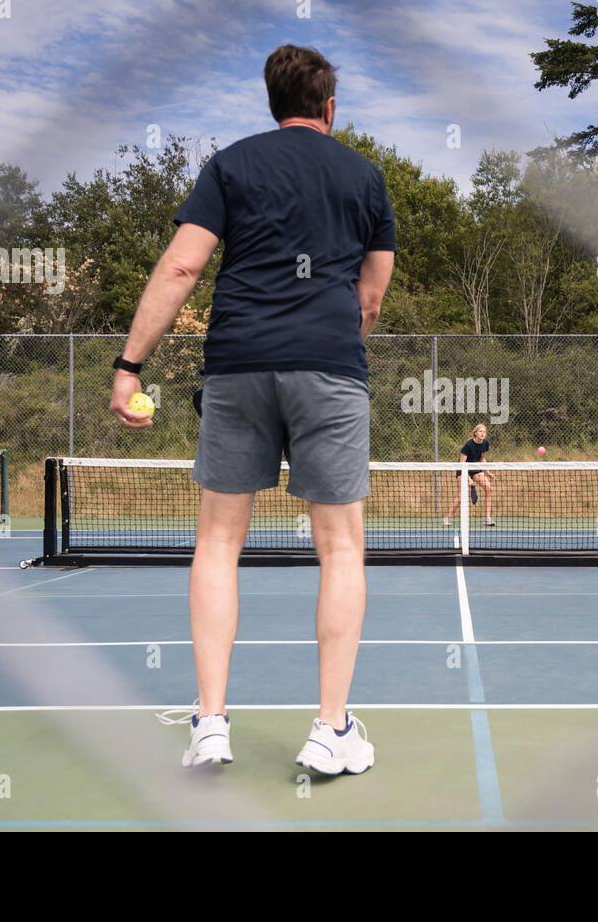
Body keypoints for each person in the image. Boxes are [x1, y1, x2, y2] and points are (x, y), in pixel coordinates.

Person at [108, 44, 395, 775]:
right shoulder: (365, 177)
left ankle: (210, 723)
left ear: (273, 106)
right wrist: (327, 344)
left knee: (217, 543)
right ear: (331, 108)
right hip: (329, 369)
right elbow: (371, 295)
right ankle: (332, 729)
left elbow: (181, 265)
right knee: (340, 547)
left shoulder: (231, 165)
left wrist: (128, 365)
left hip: (236, 367)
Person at [443, 422, 495, 527]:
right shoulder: (469, 445)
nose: (482, 433)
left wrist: (487, 472)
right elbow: (462, 464)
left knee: (489, 488)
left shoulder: (485, 443)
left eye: (484, 432)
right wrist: (468, 479)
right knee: (462, 495)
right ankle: (447, 518)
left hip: (475, 469)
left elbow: (482, 458)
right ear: (475, 433)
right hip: (463, 469)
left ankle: (487, 518)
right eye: (480, 431)